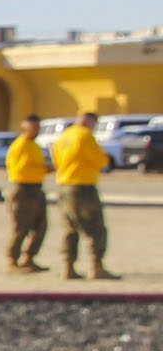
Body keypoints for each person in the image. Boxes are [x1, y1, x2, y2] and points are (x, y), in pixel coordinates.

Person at [53, 111, 118, 280]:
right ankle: (97, 267)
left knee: (70, 228)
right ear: (91, 122)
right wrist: (106, 160)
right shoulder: (85, 136)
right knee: (96, 228)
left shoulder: (63, 137)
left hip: (64, 186)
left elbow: (56, 160)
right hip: (83, 187)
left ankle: (68, 267)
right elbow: (98, 159)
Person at [4, 114, 49, 274]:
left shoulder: (34, 145)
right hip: (23, 189)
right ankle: (12, 260)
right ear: (25, 129)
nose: (36, 131)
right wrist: (43, 169)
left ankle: (29, 258)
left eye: (38, 128)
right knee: (21, 226)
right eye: (33, 128)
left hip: (36, 188)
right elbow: (21, 169)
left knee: (40, 225)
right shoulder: (20, 145)